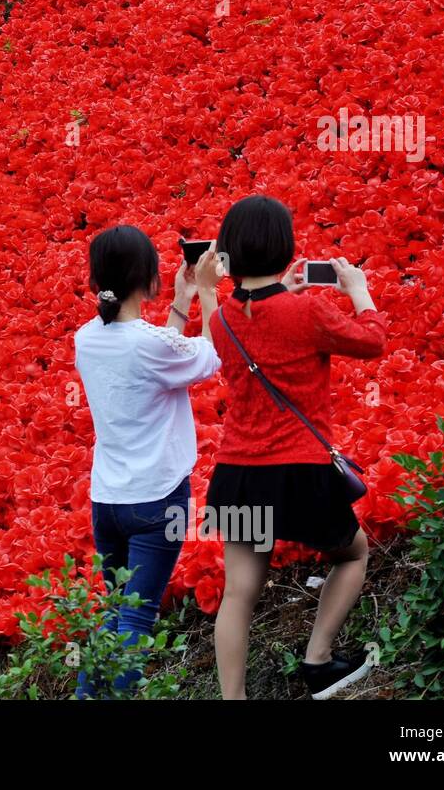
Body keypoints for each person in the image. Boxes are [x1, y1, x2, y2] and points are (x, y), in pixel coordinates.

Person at [206, 194, 387, 700]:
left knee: (239, 593)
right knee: (352, 554)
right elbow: (371, 342)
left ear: (229, 255)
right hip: (298, 471)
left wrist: (277, 291)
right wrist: (361, 291)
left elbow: (258, 321)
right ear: (286, 249)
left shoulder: (221, 321)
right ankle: (319, 660)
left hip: (238, 473)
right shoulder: (307, 310)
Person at [73, 225, 222, 697]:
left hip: (108, 501)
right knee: (137, 619)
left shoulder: (86, 339)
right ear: (148, 277)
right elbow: (214, 356)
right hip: (158, 500)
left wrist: (183, 300)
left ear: (99, 280)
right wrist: (211, 292)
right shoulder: (150, 346)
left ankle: (86, 696)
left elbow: (158, 360)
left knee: (116, 613)